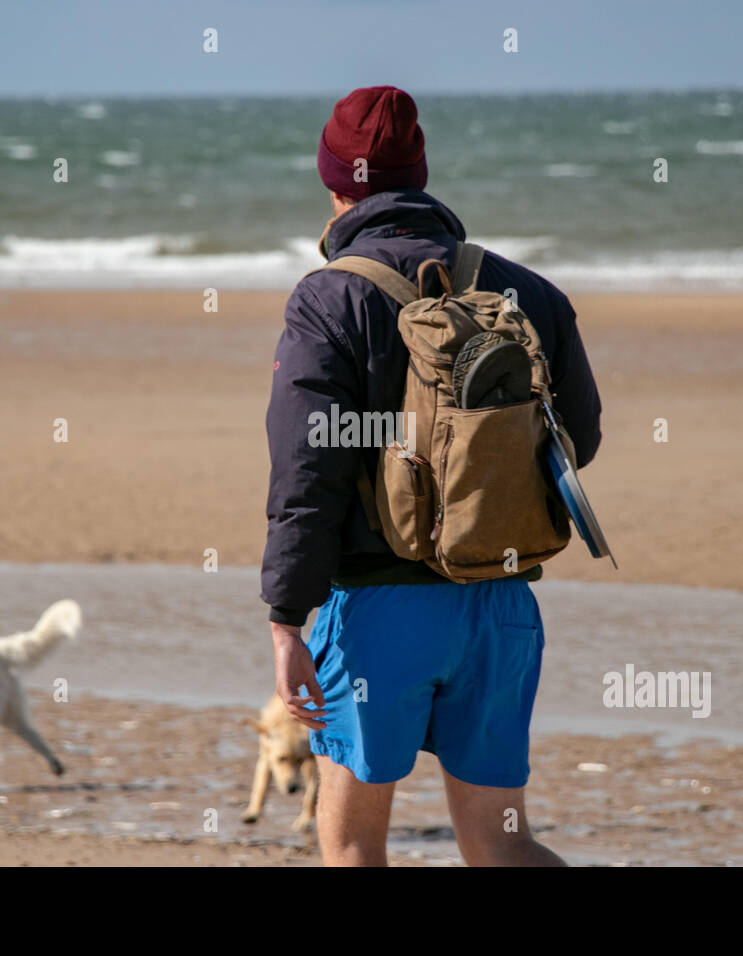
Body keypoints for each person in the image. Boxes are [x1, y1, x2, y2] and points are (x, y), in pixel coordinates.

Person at [261, 86, 602, 866]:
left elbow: (307, 467)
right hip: (500, 601)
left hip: (380, 608)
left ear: (334, 185)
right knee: (500, 846)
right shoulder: (528, 290)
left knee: (352, 847)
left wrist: (286, 619)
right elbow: (577, 440)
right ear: (420, 176)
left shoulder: (329, 297)